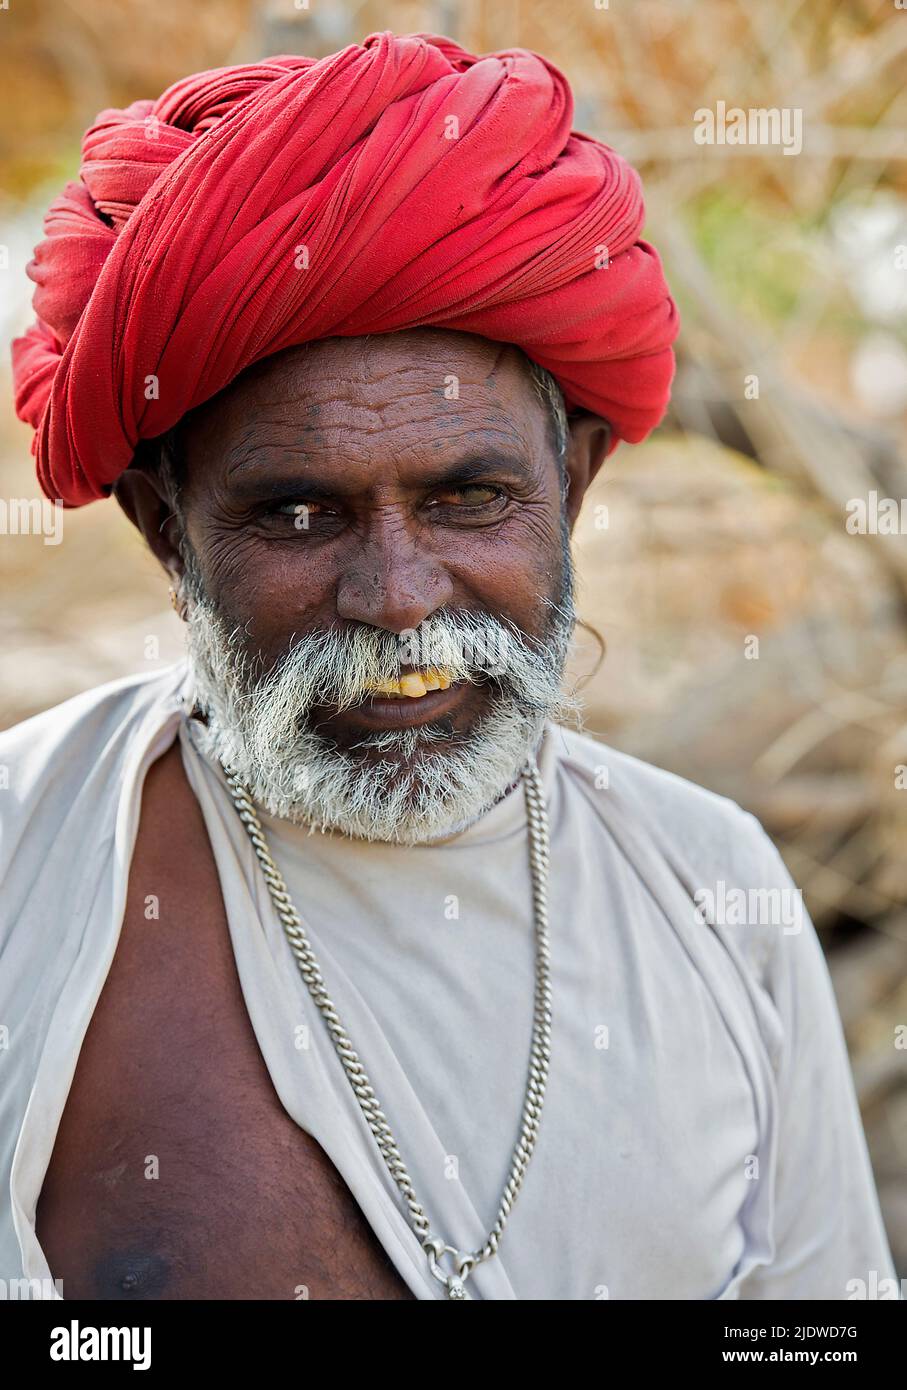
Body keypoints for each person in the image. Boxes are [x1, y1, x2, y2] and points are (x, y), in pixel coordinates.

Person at [2, 32, 896, 1301]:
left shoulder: (711, 894)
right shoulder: (22, 869)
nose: (399, 597)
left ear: (572, 487)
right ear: (166, 532)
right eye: (300, 516)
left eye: (470, 498)